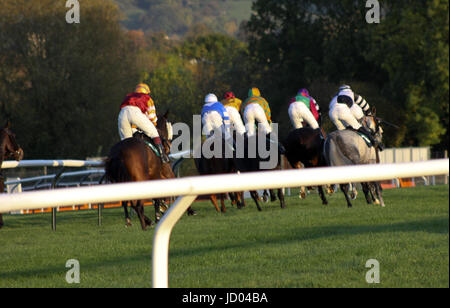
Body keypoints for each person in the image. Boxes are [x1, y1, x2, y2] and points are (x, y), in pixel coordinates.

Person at [118, 83, 170, 163]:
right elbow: (152, 118)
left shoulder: (128, 96)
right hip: (134, 113)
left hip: (122, 115)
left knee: (127, 143)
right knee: (153, 132)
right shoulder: (147, 98)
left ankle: (123, 162)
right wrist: (154, 125)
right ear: (147, 92)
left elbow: (130, 116)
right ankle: (163, 156)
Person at [329, 85, 382, 150]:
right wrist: (369, 114)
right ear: (349, 89)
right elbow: (366, 106)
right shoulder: (352, 94)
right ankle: (374, 142)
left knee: (343, 132)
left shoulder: (334, 97)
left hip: (331, 113)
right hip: (343, 111)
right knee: (359, 127)